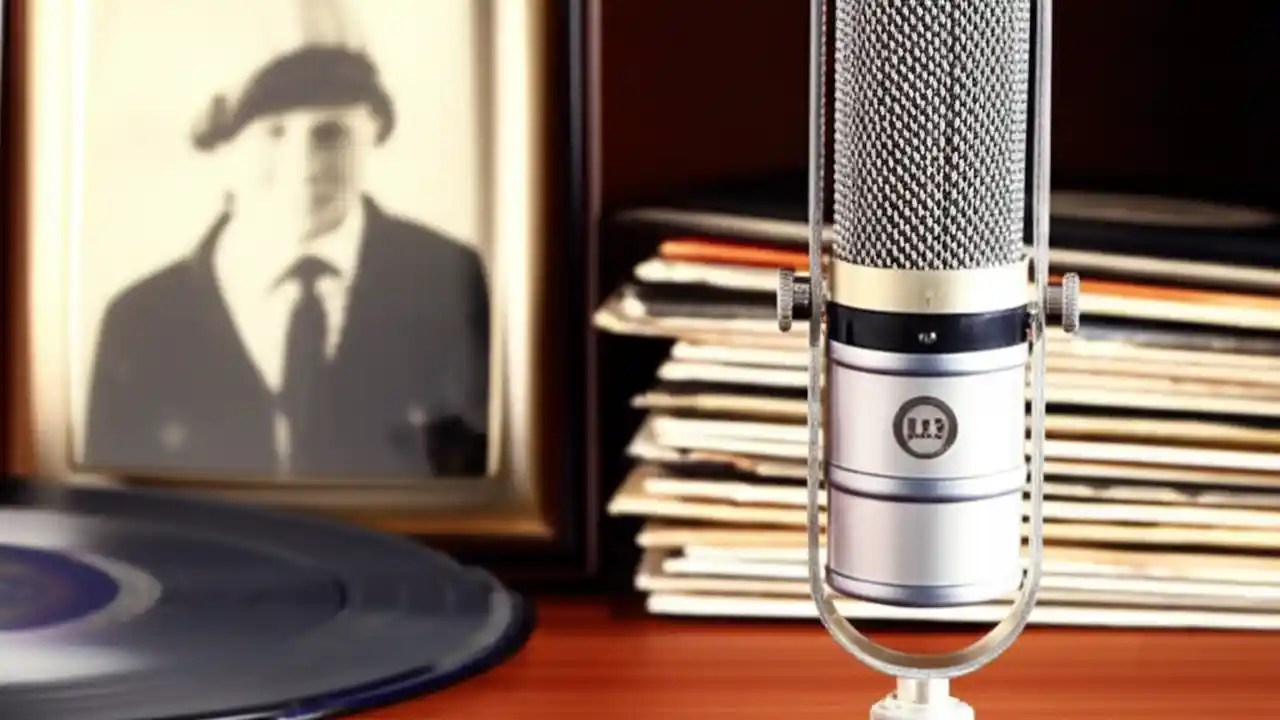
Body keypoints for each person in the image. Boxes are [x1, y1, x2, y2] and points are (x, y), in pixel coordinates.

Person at [82, 3, 490, 479]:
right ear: (219, 146)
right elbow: (114, 520)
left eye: (331, 133)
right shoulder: (143, 322)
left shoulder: (444, 281)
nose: (304, 164)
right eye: (273, 133)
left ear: (373, 133)